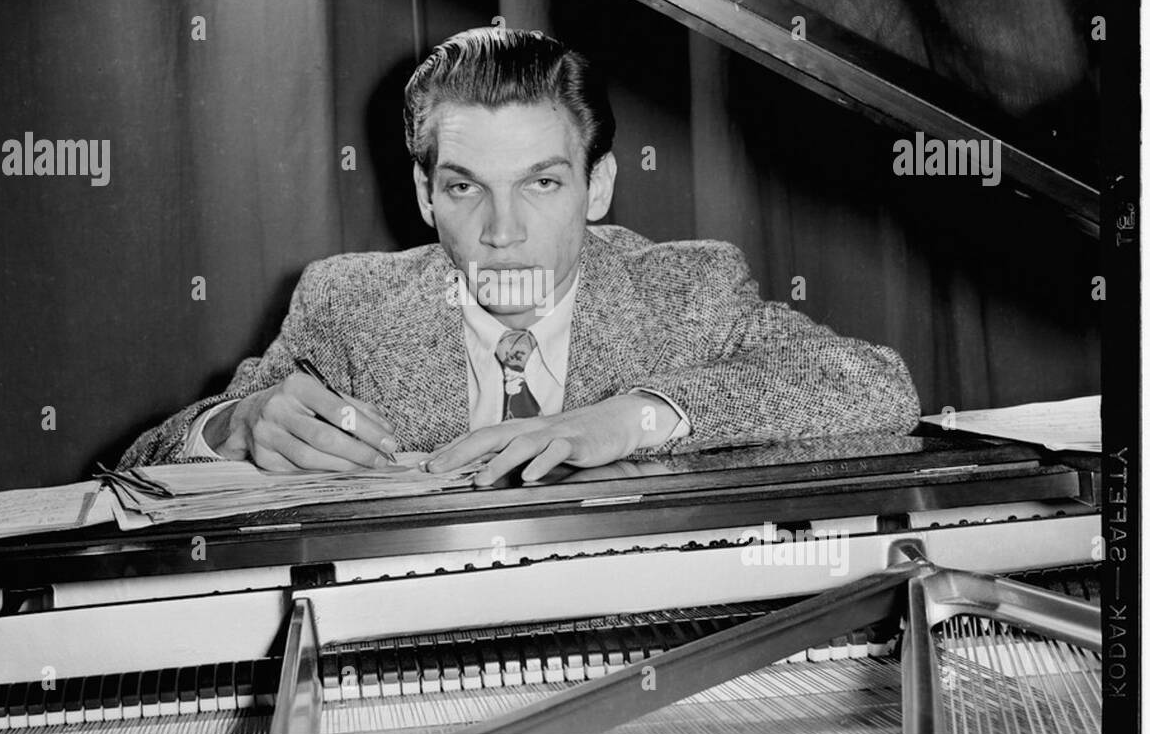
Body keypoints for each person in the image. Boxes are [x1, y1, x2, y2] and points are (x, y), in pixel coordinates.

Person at [119, 27, 920, 486]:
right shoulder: (345, 305)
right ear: (427, 195)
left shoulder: (690, 289)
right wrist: (239, 424)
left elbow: (875, 384)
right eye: (466, 188)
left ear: (598, 186)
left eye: (541, 182)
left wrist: (624, 419)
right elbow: (138, 467)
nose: (503, 231)